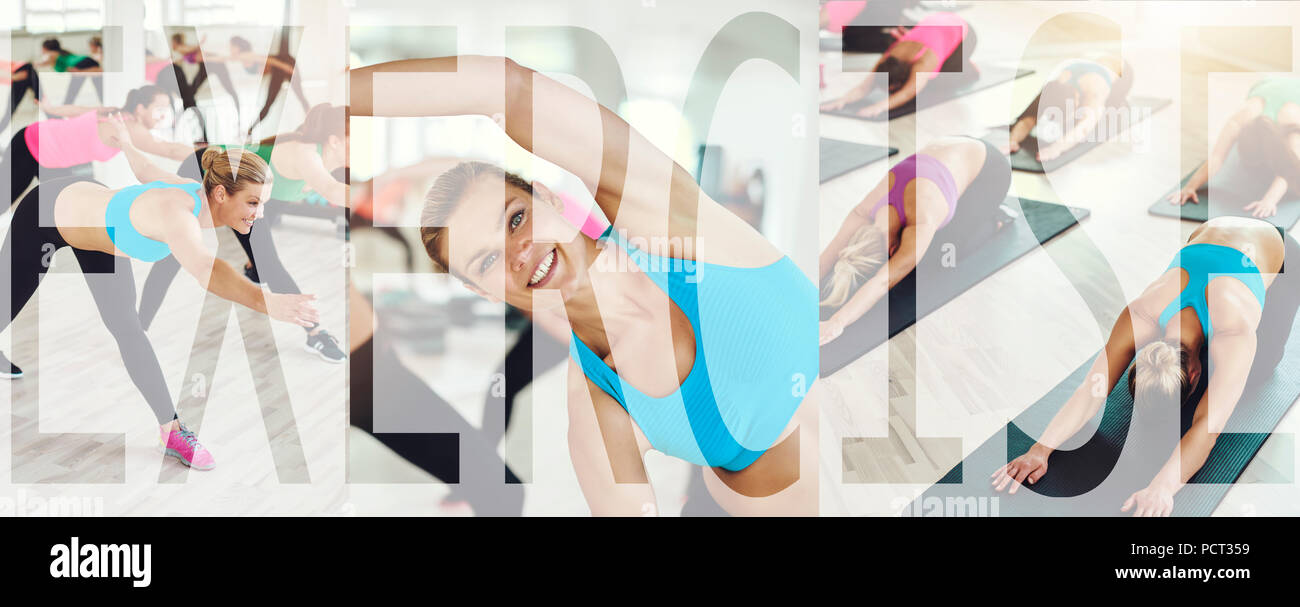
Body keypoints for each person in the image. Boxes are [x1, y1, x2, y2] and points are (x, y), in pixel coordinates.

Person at [351, 56, 822, 515]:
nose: (520, 251)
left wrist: (331, 93)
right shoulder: (599, 417)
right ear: (484, 291)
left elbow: (506, 89)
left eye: (516, 218)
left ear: (549, 197)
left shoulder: (666, 221)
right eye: (489, 259)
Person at [0, 119, 318, 469]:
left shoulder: (191, 191)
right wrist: (266, 301)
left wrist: (126, 141)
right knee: (6, 305)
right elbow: (204, 268)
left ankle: (172, 430)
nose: (259, 214)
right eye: (253, 202)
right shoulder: (178, 213)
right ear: (222, 194)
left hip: (100, 226)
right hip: (47, 213)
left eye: (263, 204)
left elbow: (146, 169)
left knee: (126, 327)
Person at [992, 217, 1300, 516]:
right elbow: (1092, 389)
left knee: (1257, 372)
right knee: (1222, 370)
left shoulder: (1234, 327)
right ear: (1141, 352)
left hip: (1280, 249)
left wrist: (1163, 487)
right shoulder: (1143, 312)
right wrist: (1040, 449)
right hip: (1208, 232)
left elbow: (1208, 428)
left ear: (1195, 374)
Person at [137, 104, 348, 363]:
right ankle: (139, 329)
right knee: (172, 254)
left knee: (265, 262)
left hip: (247, 193)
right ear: (335, 141)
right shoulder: (306, 155)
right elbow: (334, 192)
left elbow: (274, 204)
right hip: (202, 170)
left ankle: (311, 329)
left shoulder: (329, 162)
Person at [818, 136, 1013, 344]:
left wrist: (837, 321)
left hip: (992, 172)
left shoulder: (921, 221)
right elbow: (826, 258)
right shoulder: (863, 212)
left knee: (945, 253)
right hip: (958, 146)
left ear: (892, 250)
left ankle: (998, 219)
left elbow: (882, 281)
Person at [2, 85, 199, 208]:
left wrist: (52, 109)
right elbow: (170, 150)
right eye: (159, 109)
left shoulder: (117, 114)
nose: (164, 115)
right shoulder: (129, 126)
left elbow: (77, 111)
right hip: (30, 144)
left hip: (53, 160)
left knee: (66, 205)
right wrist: (211, 153)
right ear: (141, 109)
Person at [1168, 77, 1300, 218]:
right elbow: (1216, 157)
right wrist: (1190, 187)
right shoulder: (1240, 119)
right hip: (1265, 84)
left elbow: (1291, 167)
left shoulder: (1292, 124)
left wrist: (1269, 200)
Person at [819, 12, 977, 118]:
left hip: (966, 34)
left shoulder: (924, 62)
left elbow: (908, 93)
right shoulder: (888, 57)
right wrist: (842, 100)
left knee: (937, 82)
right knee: (927, 80)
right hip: (937, 23)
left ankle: (970, 68)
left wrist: (879, 107)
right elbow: (864, 87)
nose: (888, 93)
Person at [1005, 53, 1135, 162]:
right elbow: (1029, 118)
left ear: (1077, 101)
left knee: (1102, 120)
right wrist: (1012, 141)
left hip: (1122, 72)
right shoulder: (1054, 86)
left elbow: (1083, 129)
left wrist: (1056, 148)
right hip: (1096, 65)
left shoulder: (1096, 90)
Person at [61, 37, 105, 106]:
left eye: (91, 46)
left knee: (101, 93)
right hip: (93, 74)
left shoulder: (99, 55)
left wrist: (80, 71)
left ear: (95, 46)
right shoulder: (93, 55)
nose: (90, 48)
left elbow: (99, 70)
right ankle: (67, 103)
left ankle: (67, 103)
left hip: (97, 75)